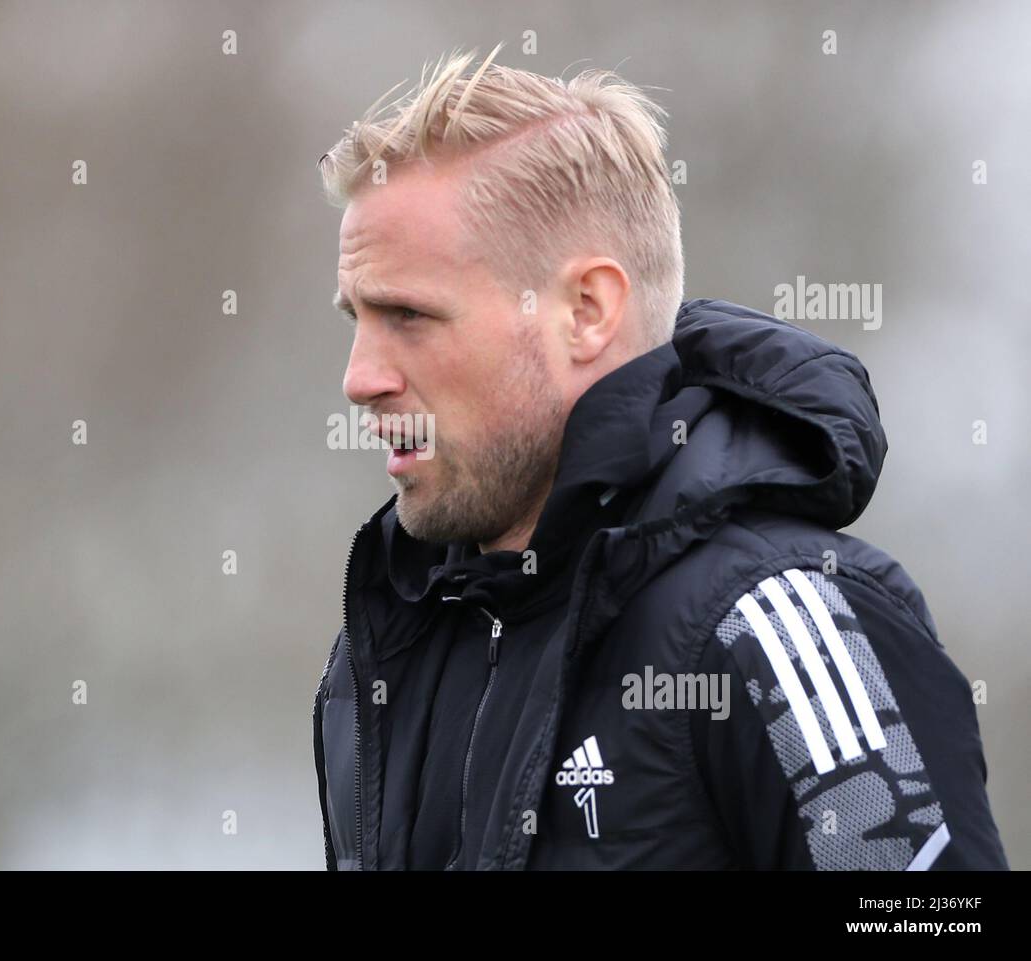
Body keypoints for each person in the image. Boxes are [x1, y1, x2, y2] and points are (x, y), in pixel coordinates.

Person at [310, 45, 1008, 870]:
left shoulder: (778, 631)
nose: (359, 379)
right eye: (356, 315)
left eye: (409, 316)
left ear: (586, 310)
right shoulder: (380, 655)